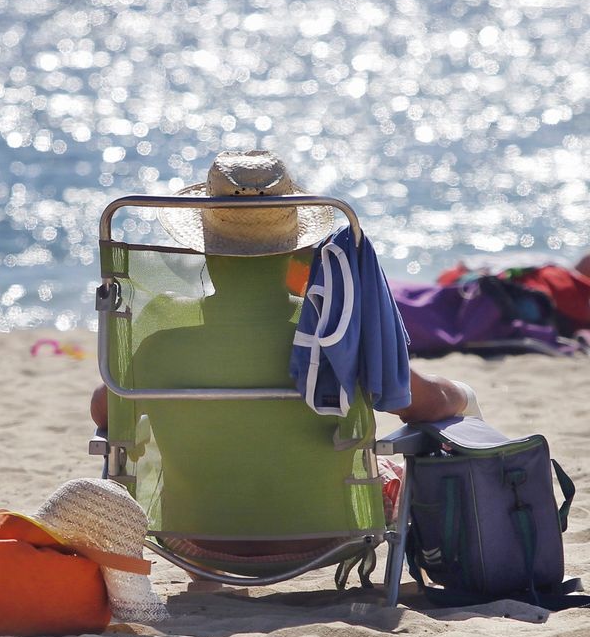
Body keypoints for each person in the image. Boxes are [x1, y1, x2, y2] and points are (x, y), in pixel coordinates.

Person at [89, 150, 481, 570]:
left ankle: (207, 579)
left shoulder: (160, 347)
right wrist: (461, 396)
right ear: (295, 251)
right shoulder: (335, 337)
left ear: (203, 250)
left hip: (193, 540)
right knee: (440, 426)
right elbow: (420, 402)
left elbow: (105, 410)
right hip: (324, 536)